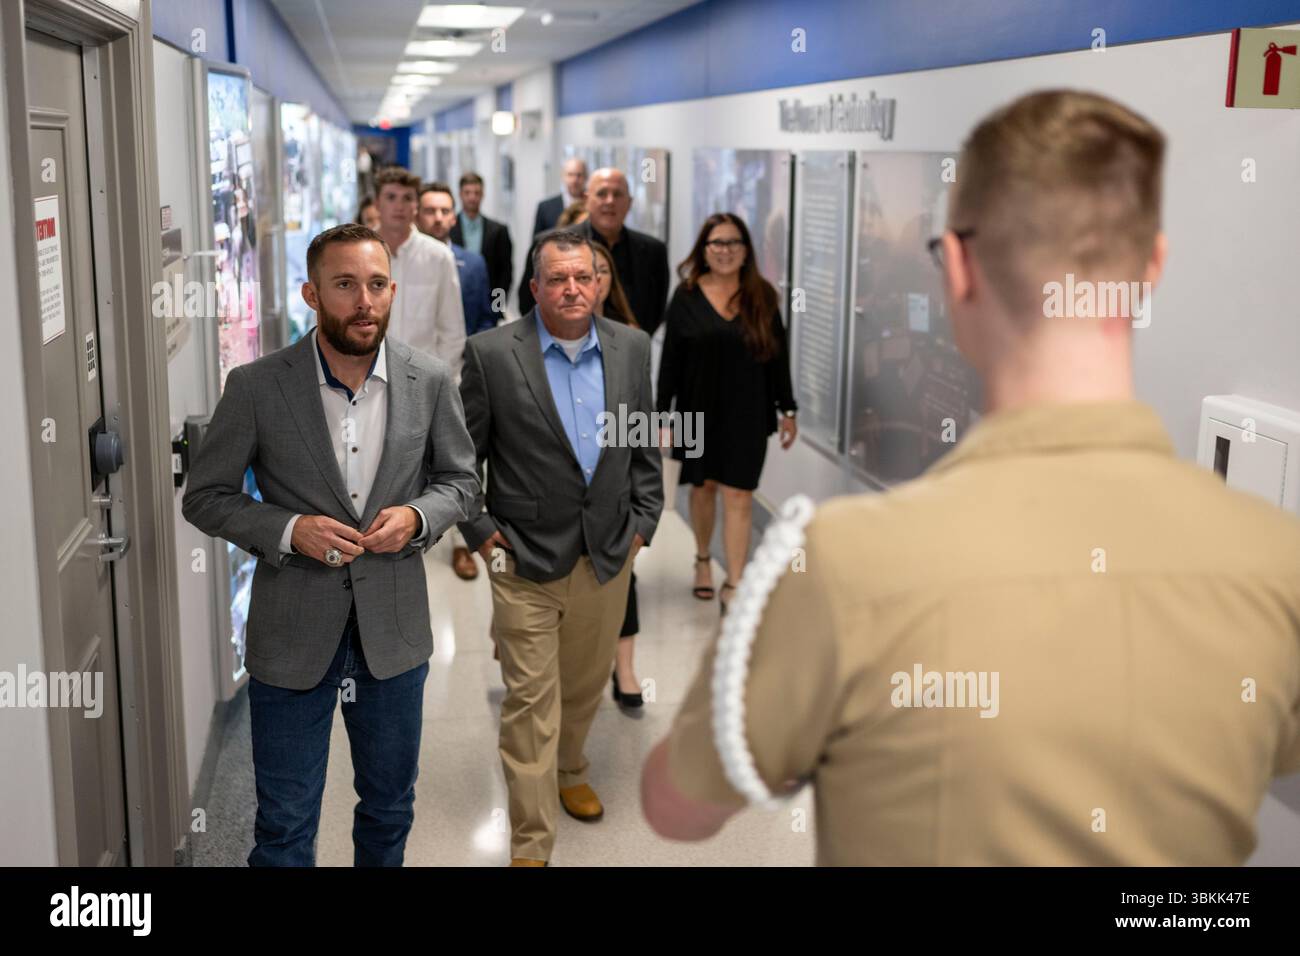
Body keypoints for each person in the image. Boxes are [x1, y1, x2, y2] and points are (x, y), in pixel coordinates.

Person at [642, 90, 1300, 865]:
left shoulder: (839, 564)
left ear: (955, 268)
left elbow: (674, 807)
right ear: (1152, 267)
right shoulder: (1276, 558)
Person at [182, 223, 480, 866]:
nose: (363, 301)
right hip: (291, 631)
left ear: (393, 290)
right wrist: (291, 530)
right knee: (285, 824)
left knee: (388, 807)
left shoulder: (428, 381)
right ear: (311, 294)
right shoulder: (258, 386)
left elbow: (462, 482)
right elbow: (205, 496)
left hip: (392, 633)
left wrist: (418, 517)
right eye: (344, 285)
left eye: (376, 285)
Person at [458, 229, 663, 865]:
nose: (573, 288)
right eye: (558, 279)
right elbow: (463, 461)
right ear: (535, 287)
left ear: (599, 283)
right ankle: (531, 841)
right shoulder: (492, 353)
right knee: (530, 700)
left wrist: (644, 522)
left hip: (607, 554)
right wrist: (483, 534)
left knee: (582, 687)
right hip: (521, 558)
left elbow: (643, 443)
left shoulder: (631, 348)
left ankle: (571, 770)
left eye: (585, 277)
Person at [656, 212, 797, 614]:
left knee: (740, 493)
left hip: (749, 412)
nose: (724, 251)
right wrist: (661, 417)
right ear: (703, 249)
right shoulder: (685, 296)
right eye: (716, 243)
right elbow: (670, 362)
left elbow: (778, 358)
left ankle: (734, 581)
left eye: (733, 243)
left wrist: (788, 408)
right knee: (704, 489)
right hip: (697, 409)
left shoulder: (763, 296)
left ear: (746, 250)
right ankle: (703, 558)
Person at [418, 180, 496, 581]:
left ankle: (463, 543)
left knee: (459, 459)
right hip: (414, 376)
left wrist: (477, 363)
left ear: (454, 216)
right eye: (429, 210)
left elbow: (485, 316)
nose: (437, 218)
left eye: (444, 211)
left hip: (462, 375)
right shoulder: (400, 261)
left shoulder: (473, 263)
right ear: (418, 214)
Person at [589, 243, 645, 711]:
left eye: (601, 271)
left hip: (616, 482)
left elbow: (641, 423)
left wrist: (646, 517)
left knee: (625, 574)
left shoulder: (630, 340)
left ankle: (624, 666)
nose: (593, 280)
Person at [518, 168, 669, 336]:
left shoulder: (653, 251)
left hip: (628, 353)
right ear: (586, 200)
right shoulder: (548, 245)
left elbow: (656, 310)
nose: (610, 201)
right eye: (602, 194)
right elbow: (528, 303)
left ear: (630, 202)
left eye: (618, 194)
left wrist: (633, 345)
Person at [373, 166, 466, 378]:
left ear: (416, 206)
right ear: (377, 204)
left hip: (423, 378)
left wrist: (436, 380)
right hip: (367, 378)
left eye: (407, 198)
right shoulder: (358, 254)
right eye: (391, 197)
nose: (399, 206)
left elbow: (452, 330)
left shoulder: (439, 257)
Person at [450, 171, 513, 309]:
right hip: (454, 302)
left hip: (487, 303)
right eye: (467, 192)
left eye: (476, 193)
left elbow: (505, 274)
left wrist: (498, 308)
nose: (472, 197)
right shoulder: (449, 229)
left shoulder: (498, 231)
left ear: (482, 194)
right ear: (460, 194)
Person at [532, 157, 588, 237]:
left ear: (586, 177)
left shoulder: (593, 206)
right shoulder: (545, 207)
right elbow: (537, 241)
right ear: (563, 177)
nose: (575, 180)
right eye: (570, 175)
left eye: (579, 175)